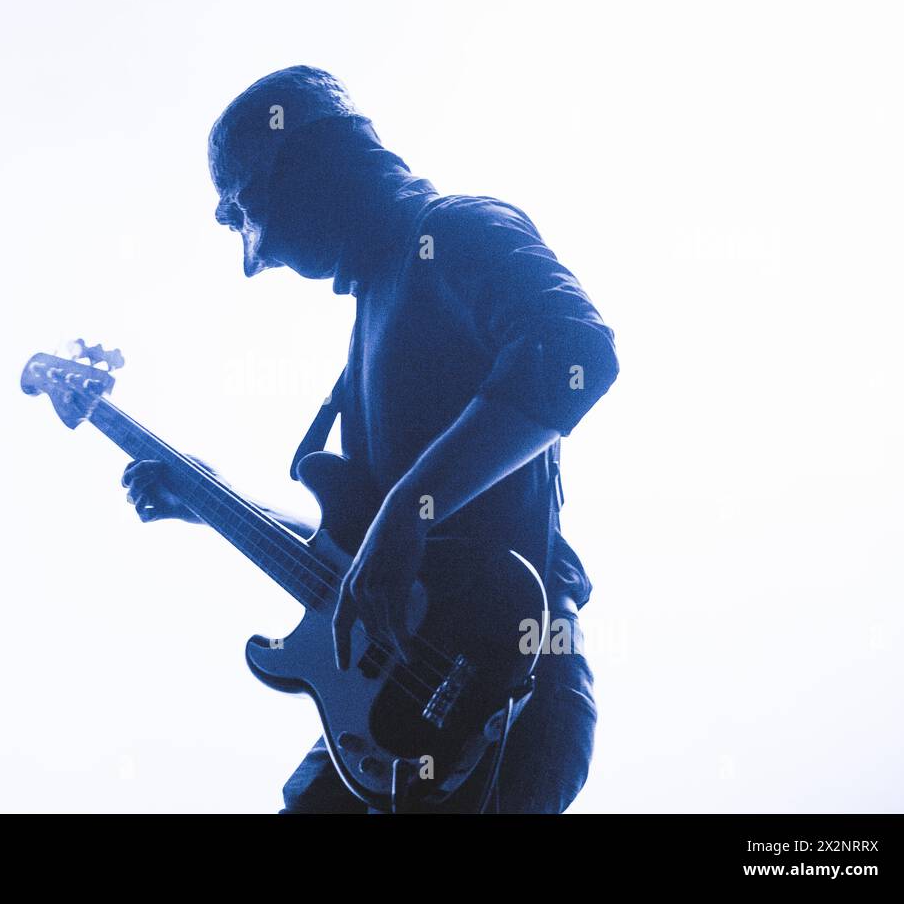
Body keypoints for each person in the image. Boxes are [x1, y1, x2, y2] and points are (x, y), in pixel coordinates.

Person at [121, 66, 619, 813]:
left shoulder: (455, 230)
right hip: (391, 722)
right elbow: (359, 560)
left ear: (308, 165)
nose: (256, 259)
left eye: (248, 213)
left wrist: (405, 512)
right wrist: (208, 499)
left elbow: (578, 352)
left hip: (502, 685)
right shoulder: (367, 338)